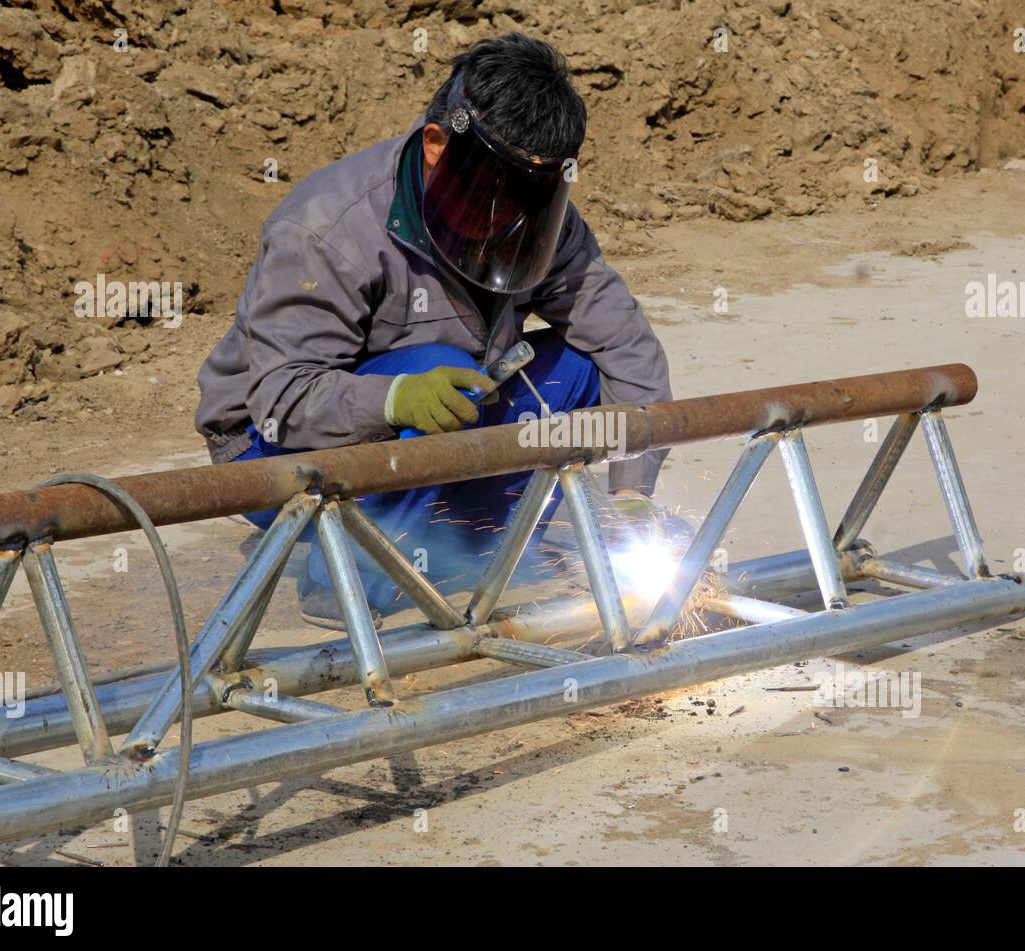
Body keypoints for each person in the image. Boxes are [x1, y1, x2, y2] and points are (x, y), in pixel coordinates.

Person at [195, 33, 672, 626]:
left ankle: (462, 548)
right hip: (269, 449)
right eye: (488, 196)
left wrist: (632, 494)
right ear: (436, 144)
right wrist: (396, 398)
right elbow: (281, 397)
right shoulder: (328, 226)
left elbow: (625, 344)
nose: (501, 222)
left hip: (434, 430)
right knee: (429, 372)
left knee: (574, 370)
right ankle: (342, 578)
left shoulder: (542, 220)